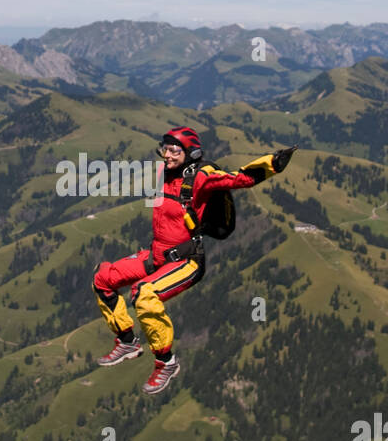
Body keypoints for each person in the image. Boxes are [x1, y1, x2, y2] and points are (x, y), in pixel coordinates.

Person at [93, 126, 295, 394]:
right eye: (164, 148)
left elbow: (240, 178)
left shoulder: (200, 176)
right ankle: (127, 340)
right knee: (103, 278)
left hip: (186, 261)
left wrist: (273, 163)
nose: (167, 154)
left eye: (174, 150)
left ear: (191, 152)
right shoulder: (162, 173)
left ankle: (166, 363)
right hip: (157, 255)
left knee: (144, 294)